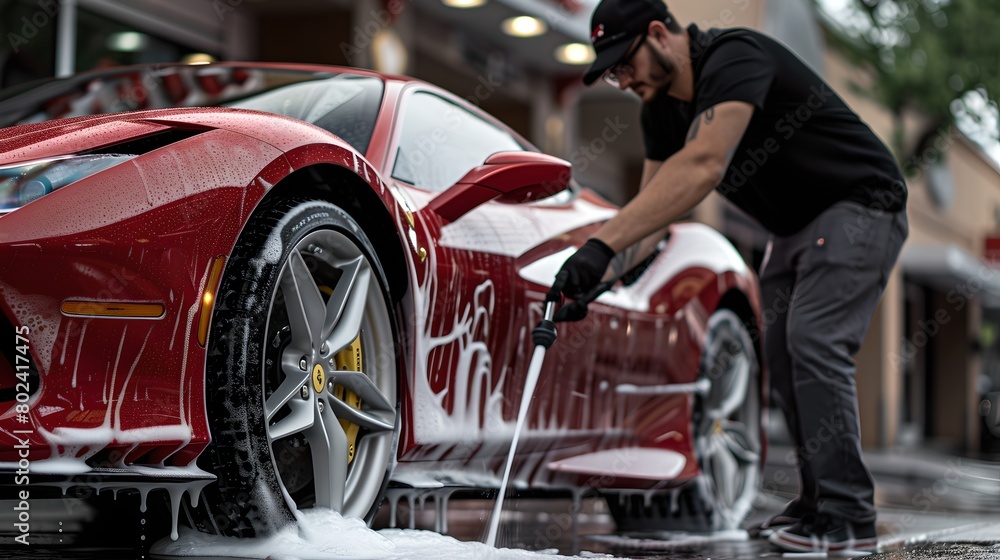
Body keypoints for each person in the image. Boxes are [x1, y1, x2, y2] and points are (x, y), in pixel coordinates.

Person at [549, 0, 908, 553]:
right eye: (612, 72)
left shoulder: (734, 57)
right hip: (791, 228)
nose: (622, 80)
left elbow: (702, 165)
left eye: (624, 63)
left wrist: (601, 244)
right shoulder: (659, 110)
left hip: (859, 204)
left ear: (658, 34)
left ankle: (848, 514)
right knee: (782, 357)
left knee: (814, 342)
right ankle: (818, 503)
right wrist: (596, 277)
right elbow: (653, 209)